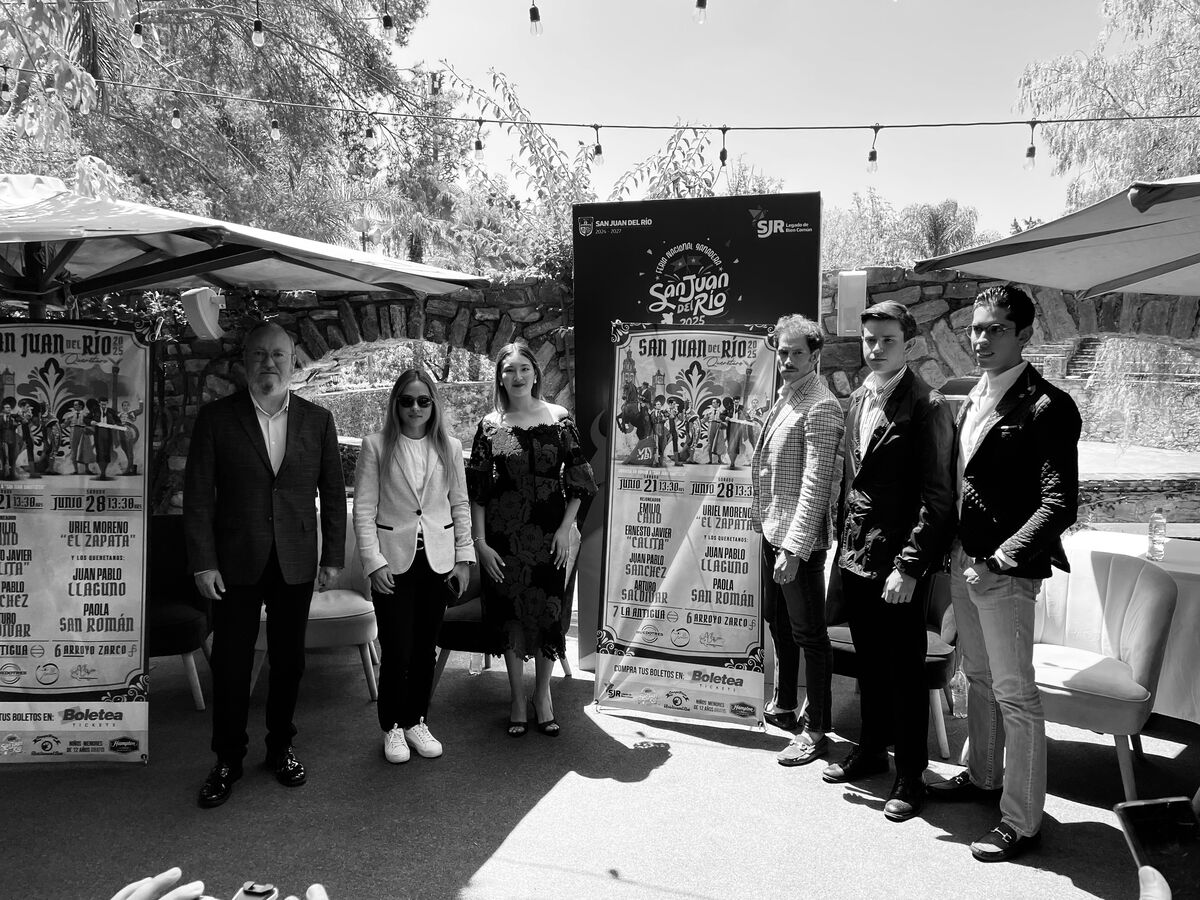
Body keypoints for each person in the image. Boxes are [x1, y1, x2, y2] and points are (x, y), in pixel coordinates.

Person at [926, 285, 1081, 863]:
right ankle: (985, 777)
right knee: (980, 678)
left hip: (1005, 573)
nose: (981, 339)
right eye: (976, 328)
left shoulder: (1048, 405)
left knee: (1016, 695)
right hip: (966, 562)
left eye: (995, 329)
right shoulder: (972, 396)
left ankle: (1022, 820)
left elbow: (1058, 503)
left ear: (1025, 335)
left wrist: (1001, 560)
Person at [184, 322, 345, 809]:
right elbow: (198, 497)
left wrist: (333, 557)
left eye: (278, 354)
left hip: (295, 560)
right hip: (234, 563)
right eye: (259, 355)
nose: (268, 363)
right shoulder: (216, 419)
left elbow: (332, 493)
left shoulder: (318, 420)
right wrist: (203, 563)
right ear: (245, 362)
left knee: (289, 661)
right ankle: (227, 759)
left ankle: (281, 748)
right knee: (231, 664)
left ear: (293, 362)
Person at [821, 301, 955, 822]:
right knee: (871, 664)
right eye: (869, 340)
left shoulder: (928, 404)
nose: (875, 349)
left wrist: (910, 566)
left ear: (910, 344)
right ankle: (872, 749)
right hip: (857, 556)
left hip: (899, 563)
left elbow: (938, 498)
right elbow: (855, 481)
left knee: (904, 671)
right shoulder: (859, 397)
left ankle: (911, 774)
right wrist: (843, 544)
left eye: (887, 341)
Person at [467, 341, 596, 738]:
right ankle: (517, 699)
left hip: (550, 535)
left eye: (524, 368)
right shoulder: (493, 425)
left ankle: (542, 695)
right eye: (509, 370)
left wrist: (565, 528)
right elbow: (480, 491)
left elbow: (579, 481)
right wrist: (480, 542)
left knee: (546, 613)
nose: (517, 376)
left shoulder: (558, 418)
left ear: (536, 373)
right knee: (510, 615)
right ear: (500, 378)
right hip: (503, 539)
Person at [353, 368, 474, 764]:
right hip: (392, 563)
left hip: (438, 562)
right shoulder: (376, 446)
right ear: (396, 404)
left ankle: (416, 721)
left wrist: (463, 559)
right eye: (407, 400)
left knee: (424, 650)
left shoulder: (450, 446)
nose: (416, 408)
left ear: (433, 404)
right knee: (397, 650)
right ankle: (391, 726)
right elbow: (364, 510)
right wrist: (373, 563)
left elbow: (459, 505)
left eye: (424, 400)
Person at [750, 314, 845, 766]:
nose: (786, 360)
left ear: (815, 355)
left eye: (796, 353)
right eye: (782, 352)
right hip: (774, 530)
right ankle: (786, 703)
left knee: (810, 635)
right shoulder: (789, 394)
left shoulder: (821, 405)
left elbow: (816, 484)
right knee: (779, 623)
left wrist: (792, 549)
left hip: (797, 543)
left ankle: (817, 730)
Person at [89, 395, 123, 481]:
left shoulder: (111, 411)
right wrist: (91, 421)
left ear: (107, 403)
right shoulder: (95, 410)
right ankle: (102, 472)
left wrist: (116, 424)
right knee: (100, 452)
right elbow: (86, 419)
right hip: (98, 433)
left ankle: (104, 472)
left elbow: (118, 421)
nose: (103, 406)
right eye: (102, 404)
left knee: (107, 451)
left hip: (108, 432)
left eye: (105, 404)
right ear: (99, 404)